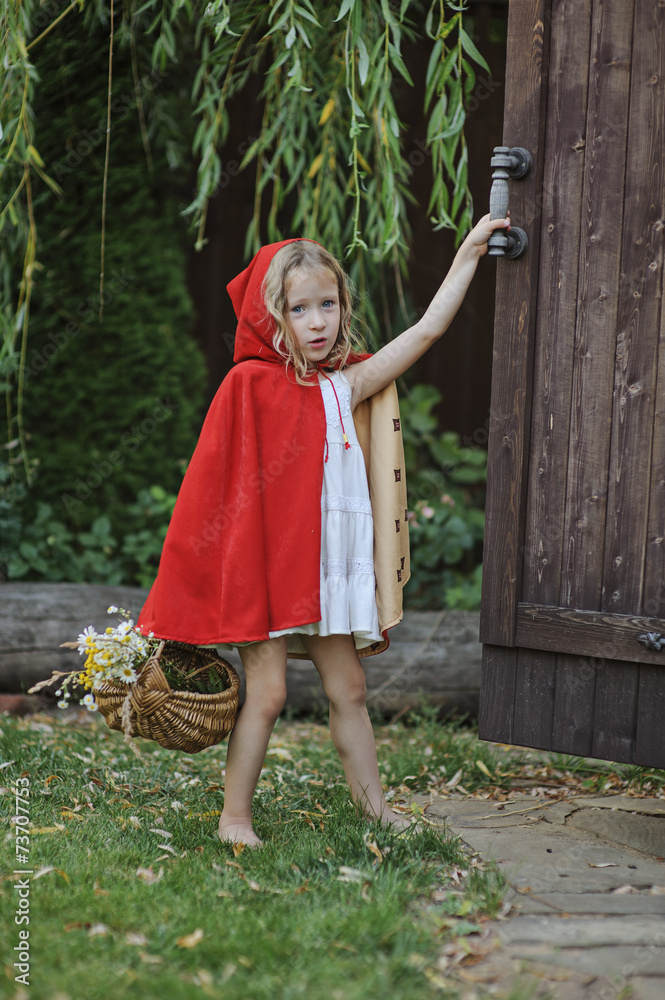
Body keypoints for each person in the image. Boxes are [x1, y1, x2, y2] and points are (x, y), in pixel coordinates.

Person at [137, 213, 510, 847]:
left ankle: (377, 811)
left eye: (328, 305)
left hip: (328, 572)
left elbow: (424, 332)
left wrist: (470, 254)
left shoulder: (346, 386)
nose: (317, 321)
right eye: (299, 308)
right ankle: (234, 820)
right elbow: (213, 496)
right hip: (271, 571)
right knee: (270, 693)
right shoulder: (247, 388)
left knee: (352, 688)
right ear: (270, 315)